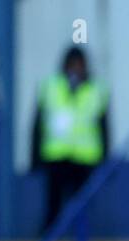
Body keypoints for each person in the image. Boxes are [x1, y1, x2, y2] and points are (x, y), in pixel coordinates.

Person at [32, 47, 108, 231]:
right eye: (72, 64)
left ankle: (80, 236)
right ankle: (49, 237)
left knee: (81, 201)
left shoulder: (97, 89)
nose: (76, 69)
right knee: (54, 200)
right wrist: (34, 156)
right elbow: (37, 123)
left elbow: (104, 125)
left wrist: (105, 155)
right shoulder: (49, 85)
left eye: (79, 64)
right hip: (56, 153)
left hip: (85, 156)